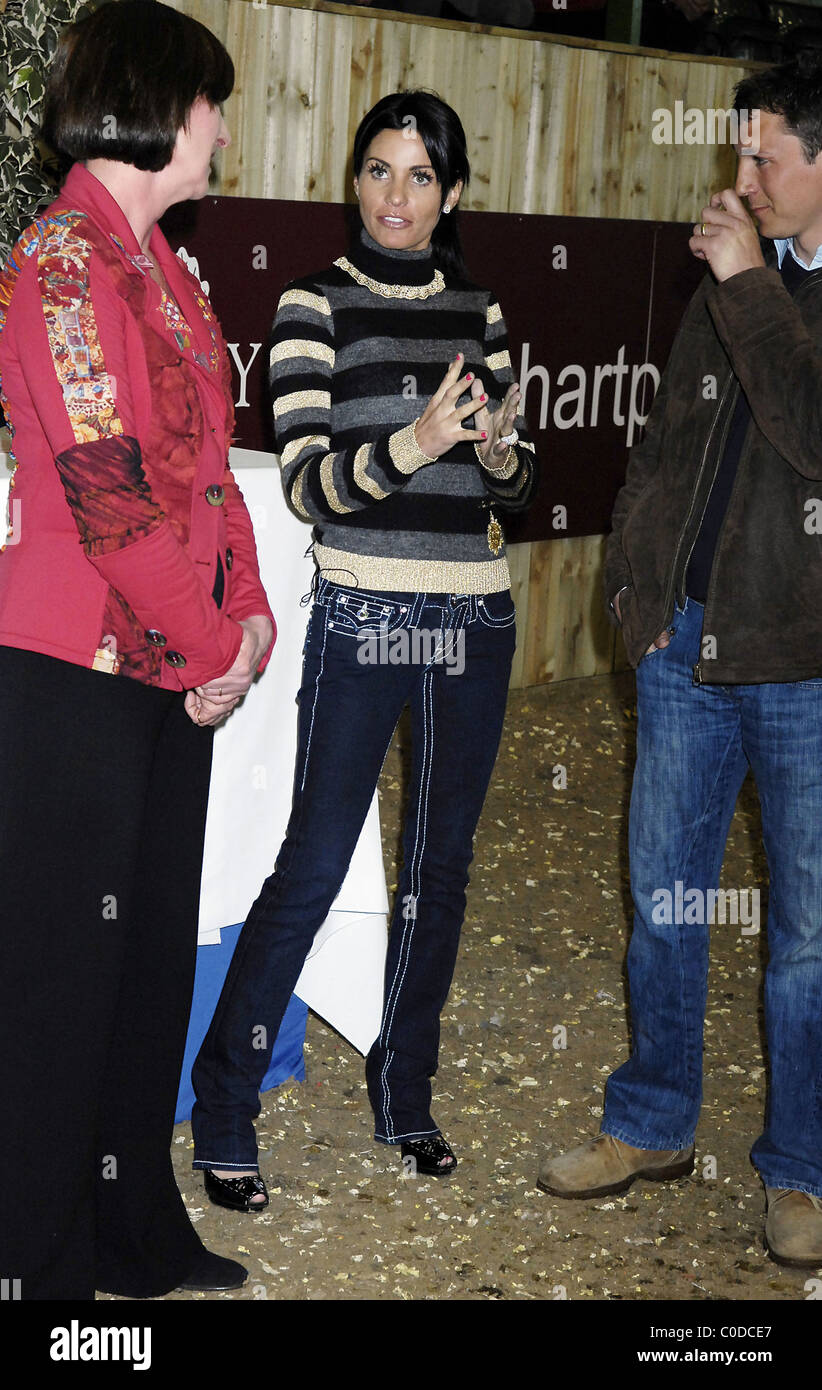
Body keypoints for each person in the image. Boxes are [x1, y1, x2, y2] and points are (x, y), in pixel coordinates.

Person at [191, 89, 535, 1209]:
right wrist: (419, 438)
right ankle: (227, 1096)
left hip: (474, 616)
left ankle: (408, 1089)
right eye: (379, 170)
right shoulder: (309, 304)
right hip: (365, 611)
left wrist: (492, 453)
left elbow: (515, 485)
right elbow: (310, 487)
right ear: (354, 180)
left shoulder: (479, 308)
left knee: (444, 869)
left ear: (452, 193)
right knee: (316, 858)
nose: (396, 196)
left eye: (420, 176)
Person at [0, 0, 275, 1299]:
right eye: (213, 100)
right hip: (72, 682)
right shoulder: (61, 265)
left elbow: (210, 470)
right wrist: (219, 638)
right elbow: (109, 502)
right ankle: (37, 1261)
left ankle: (130, 1230)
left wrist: (253, 608)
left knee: (147, 962)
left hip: (172, 666)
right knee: (59, 990)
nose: (224, 127)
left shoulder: (166, 264)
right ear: (163, 107)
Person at [538, 53, 822, 1268]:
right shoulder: (722, 280)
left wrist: (752, 282)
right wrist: (632, 591)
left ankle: (803, 1172)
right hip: (683, 649)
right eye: (739, 152)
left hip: (807, 669)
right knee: (662, 904)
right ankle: (652, 1121)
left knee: (808, 935)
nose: (739, 174)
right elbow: (661, 448)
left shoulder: (743, 275)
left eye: (764, 156)